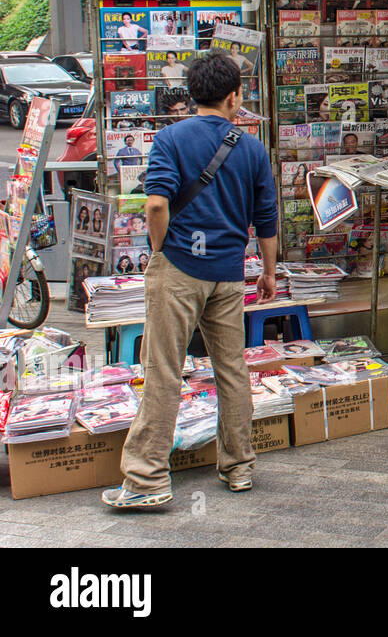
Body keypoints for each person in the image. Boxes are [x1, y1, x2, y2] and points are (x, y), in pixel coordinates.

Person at [104, 51, 278, 509]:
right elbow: (266, 220)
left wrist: (162, 248)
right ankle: (239, 467)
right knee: (232, 370)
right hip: (228, 274)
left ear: (193, 94)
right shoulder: (252, 149)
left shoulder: (170, 138)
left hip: (179, 268)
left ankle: (147, 480)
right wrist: (269, 272)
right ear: (234, 96)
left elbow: (155, 204)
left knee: (163, 370)